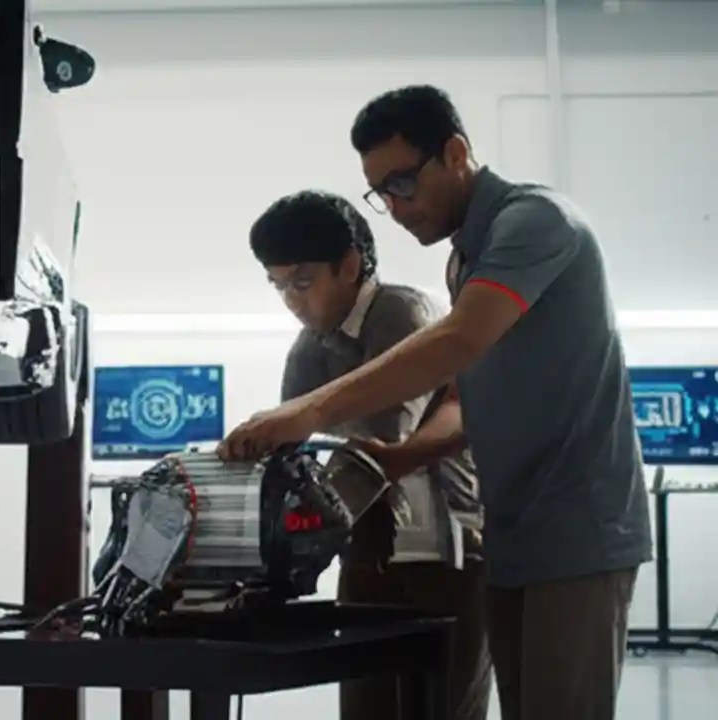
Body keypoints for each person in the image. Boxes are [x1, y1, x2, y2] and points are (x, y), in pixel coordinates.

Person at [219, 85, 652, 720]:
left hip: (576, 525)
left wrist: (306, 413)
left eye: (402, 183)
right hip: (512, 527)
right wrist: (398, 455)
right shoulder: (465, 260)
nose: (394, 208)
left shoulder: (533, 223)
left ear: (455, 153)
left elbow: (457, 340)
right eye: (380, 192)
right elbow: (468, 398)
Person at [249, 190, 491, 720]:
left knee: (444, 705)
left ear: (351, 265)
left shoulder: (400, 310)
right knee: (366, 706)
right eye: (279, 284)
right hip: (368, 547)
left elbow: (388, 438)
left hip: (445, 550)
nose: (291, 298)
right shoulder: (308, 346)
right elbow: (298, 457)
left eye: (303, 281)